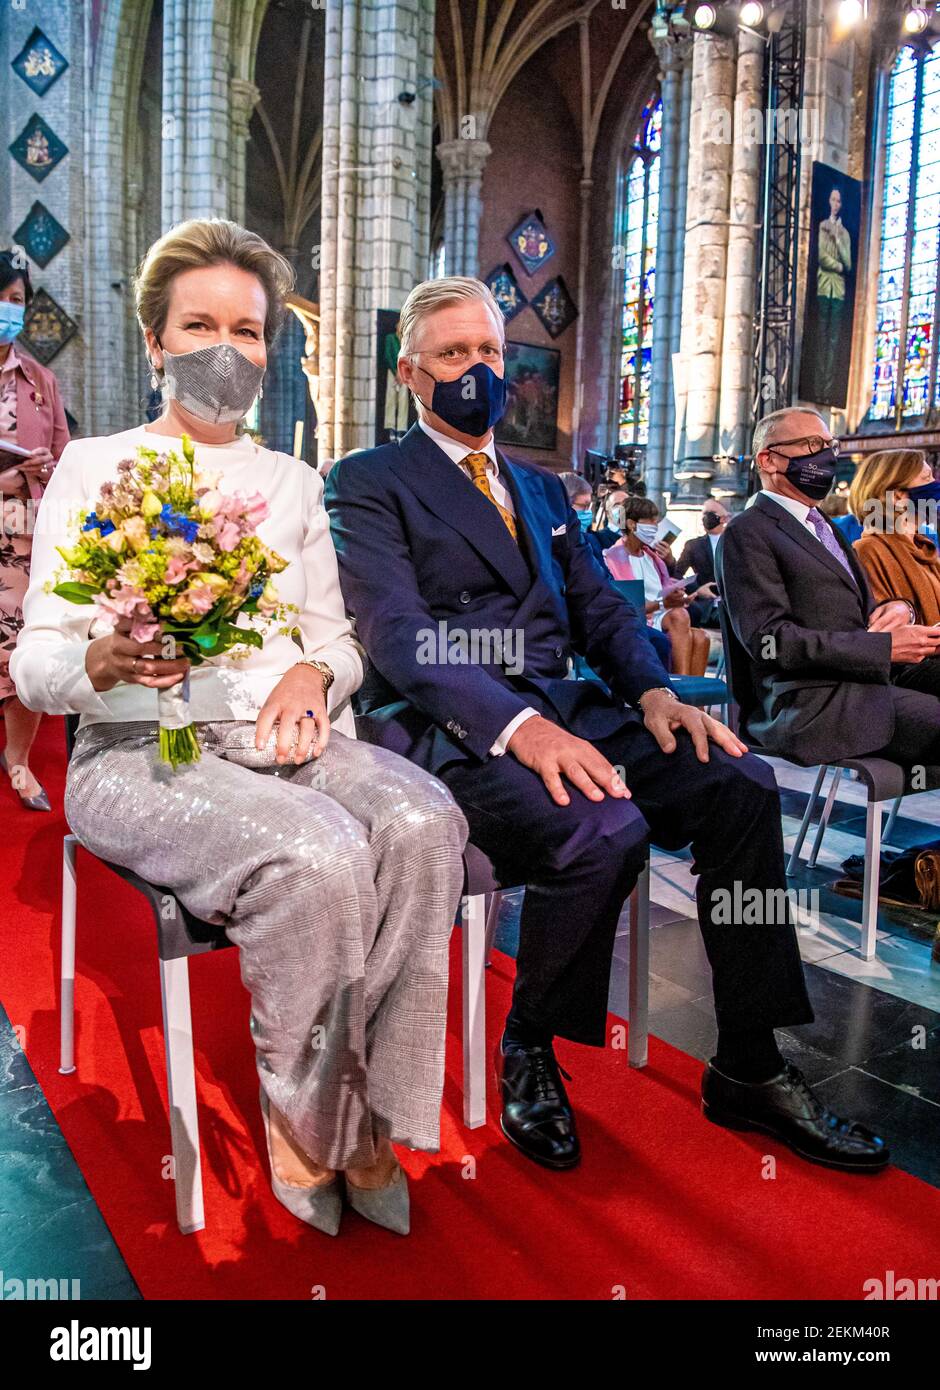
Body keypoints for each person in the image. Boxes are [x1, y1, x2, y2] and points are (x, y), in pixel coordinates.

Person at [325, 275, 887, 1177]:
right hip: (458, 727)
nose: (479, 369)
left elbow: (600, 610)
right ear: (409, 373)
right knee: (604, 825)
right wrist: (517, 728)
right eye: (454, 354)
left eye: (490, 352)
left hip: (571, 709)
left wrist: (655, 693)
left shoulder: (542, 489)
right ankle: (530, 1042)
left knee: (739, 784)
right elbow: (398, 634)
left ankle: (748, 1062)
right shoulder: (369, 481)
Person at [11, 219, 467, 1238]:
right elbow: (33, 667)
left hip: (284, 738)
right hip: (136, 747)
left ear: (271, 349)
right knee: (318, 851)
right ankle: (308, 1118)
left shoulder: (295, 483)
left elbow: (341, 641)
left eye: (250, 330)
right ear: (158, 342)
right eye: (202, 324)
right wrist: (101, 659)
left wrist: (312, 668)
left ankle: (369, 1108)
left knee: (424, 820)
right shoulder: (93, 468)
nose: (229, 348)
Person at [716, 407, 940, 770]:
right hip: (814, 701)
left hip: (866, 679)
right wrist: (882, 648)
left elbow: (862, 610)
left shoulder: (823, 526)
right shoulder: (748, 532)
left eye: (830, 445)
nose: (827, 456)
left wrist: (901, 610)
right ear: (768, 459)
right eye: (811, 444)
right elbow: (771, 641)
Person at [0, 250, 70, 811]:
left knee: (23, 647)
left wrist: (49, 468)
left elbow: (67, 454)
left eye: (17, 300)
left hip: (23, 540)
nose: (8, 309)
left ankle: (19, 761)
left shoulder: (40, 379)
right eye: (2, 298)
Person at [603, 494, 710, 675]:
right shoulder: (613, 557)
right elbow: (627, 605)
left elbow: (665, 588)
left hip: (662, 614)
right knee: (679, 615)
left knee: (702, 637)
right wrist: (665, 604)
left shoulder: (652, 557)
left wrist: (681, 597)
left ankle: (696, 702)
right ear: (632, 524)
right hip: (640, 619)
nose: (655, 527)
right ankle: (679, 687)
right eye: (651, 521)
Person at [850, 449, 940, 627]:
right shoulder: (868, 551)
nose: (935, 485)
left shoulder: (922, 549)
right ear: (898, 495)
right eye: (927, 479)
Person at [673, 497, 727, 627]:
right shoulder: (693, 545)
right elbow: (677, 574)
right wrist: (697, 590)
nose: (707, 516)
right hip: (704, 606)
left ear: (723, 518)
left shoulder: (736, 542)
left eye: (712, 512)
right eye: (704, 513)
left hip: (731, 605)